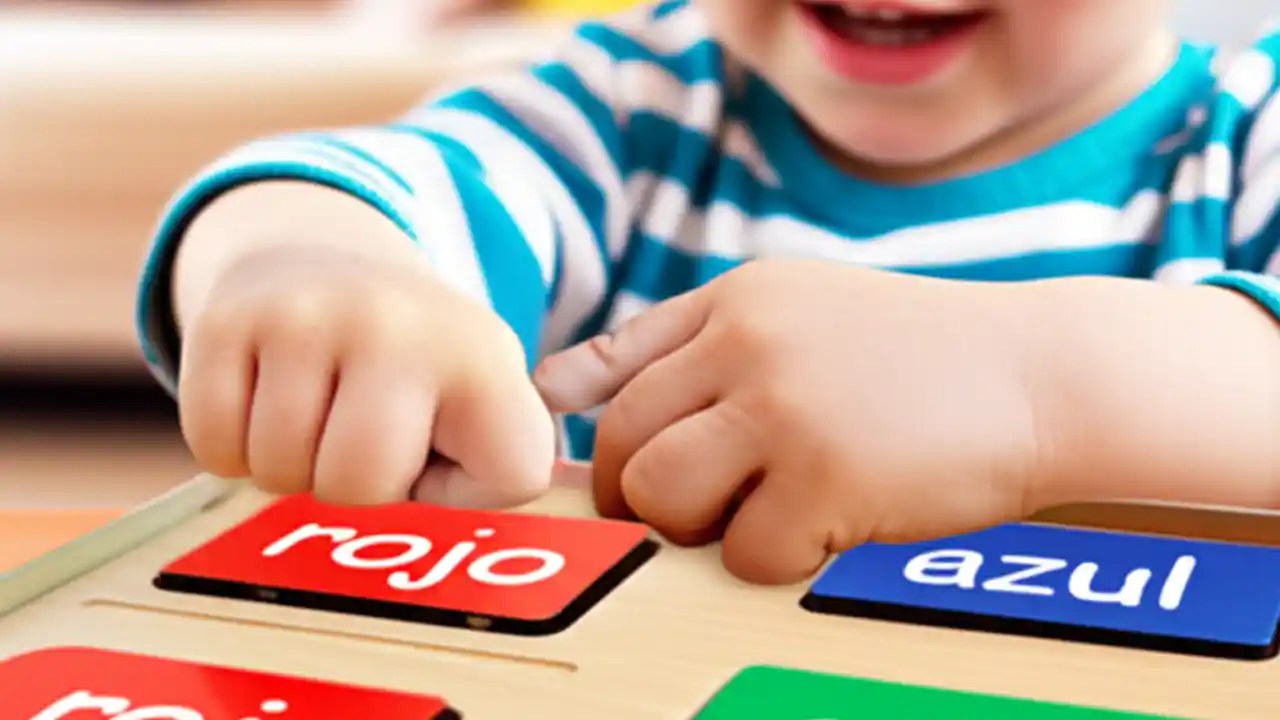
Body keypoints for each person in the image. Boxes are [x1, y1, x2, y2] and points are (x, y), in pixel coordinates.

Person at [135, 0, 1280, 585]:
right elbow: (364, 187)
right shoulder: (634, 108)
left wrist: (1034, 393)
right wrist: (305, 261)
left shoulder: (1247, 140)